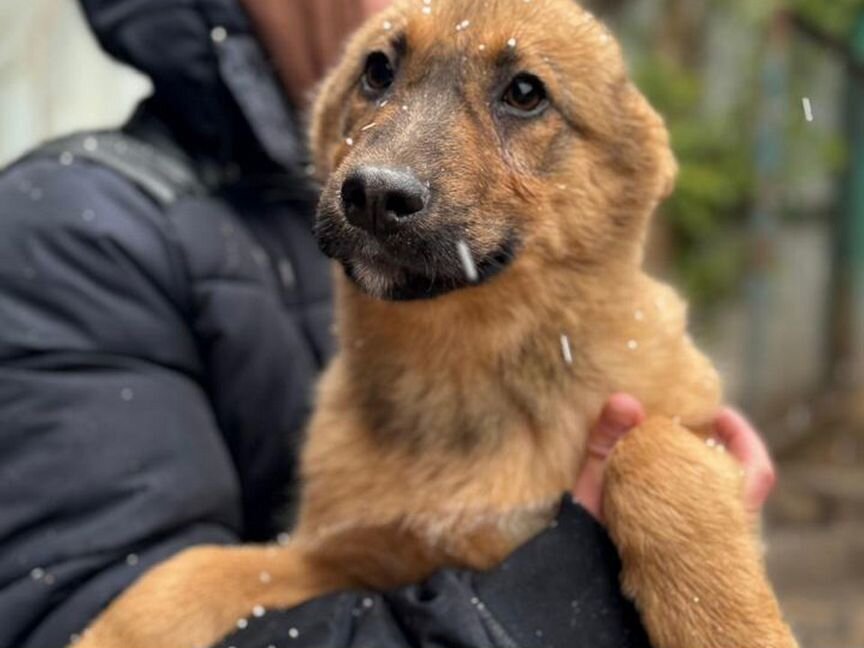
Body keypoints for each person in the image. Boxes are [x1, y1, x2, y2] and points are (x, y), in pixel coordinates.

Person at [0, 1, 776, 647]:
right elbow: (63, 610)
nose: (380, 178)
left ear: (633, 170)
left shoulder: (642, 361)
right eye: (380, 75)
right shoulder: (76, 226)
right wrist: (569, 586)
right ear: (330, 118)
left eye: (524, 96)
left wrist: (673, 502)